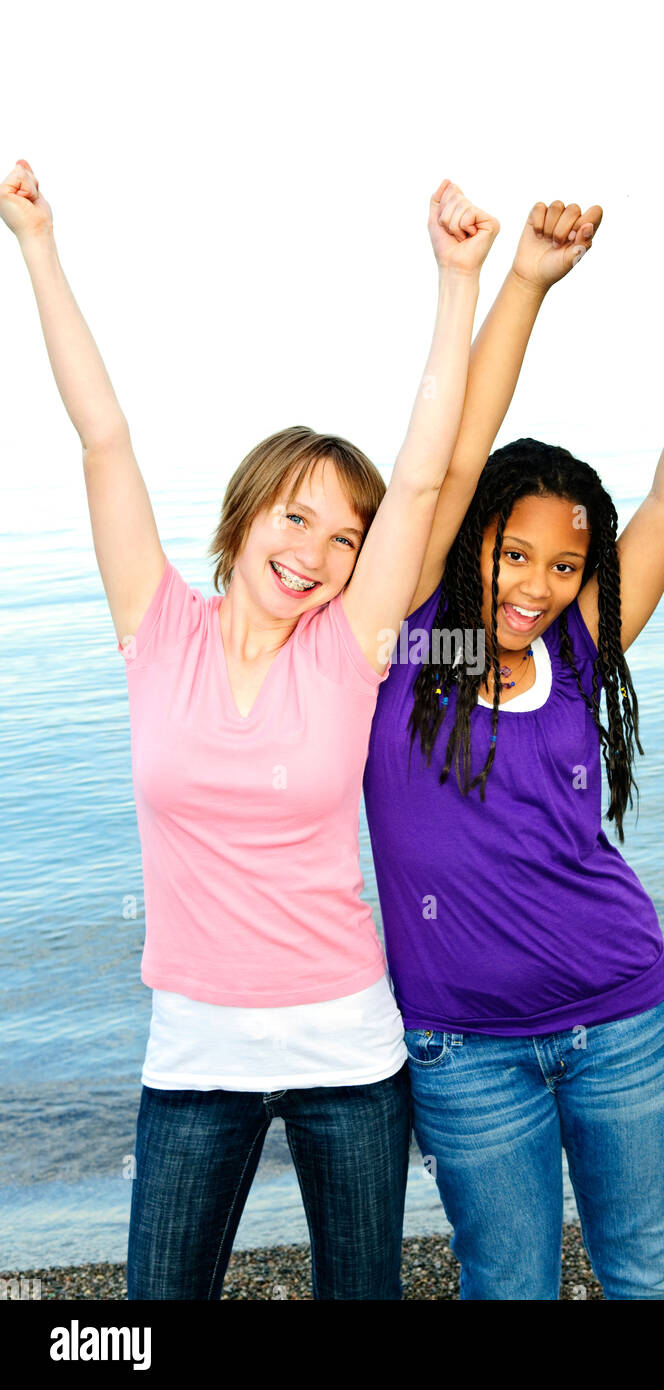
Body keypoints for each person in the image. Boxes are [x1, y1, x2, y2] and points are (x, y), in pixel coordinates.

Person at [0, 159, 501, 1299]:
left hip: (349, 1054)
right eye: (296, 517)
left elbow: (423, 482)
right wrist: (35, 244)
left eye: (343, 537)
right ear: (244, 514)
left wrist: (456, 278)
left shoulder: (346, 648)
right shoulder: (156, 626)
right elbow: (103, 440)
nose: (315, 554)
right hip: (194, 1054)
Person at [363, 201, 664, 1299]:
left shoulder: (576, 658)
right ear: (470, 542)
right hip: (462, 1053)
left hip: (623, 1017)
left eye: (563, 568)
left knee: (646, 1267)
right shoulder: (397, 651)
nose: (535, 586)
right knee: (506, 1283)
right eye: (513, 553)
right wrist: (524, 282)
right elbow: (441, 466)